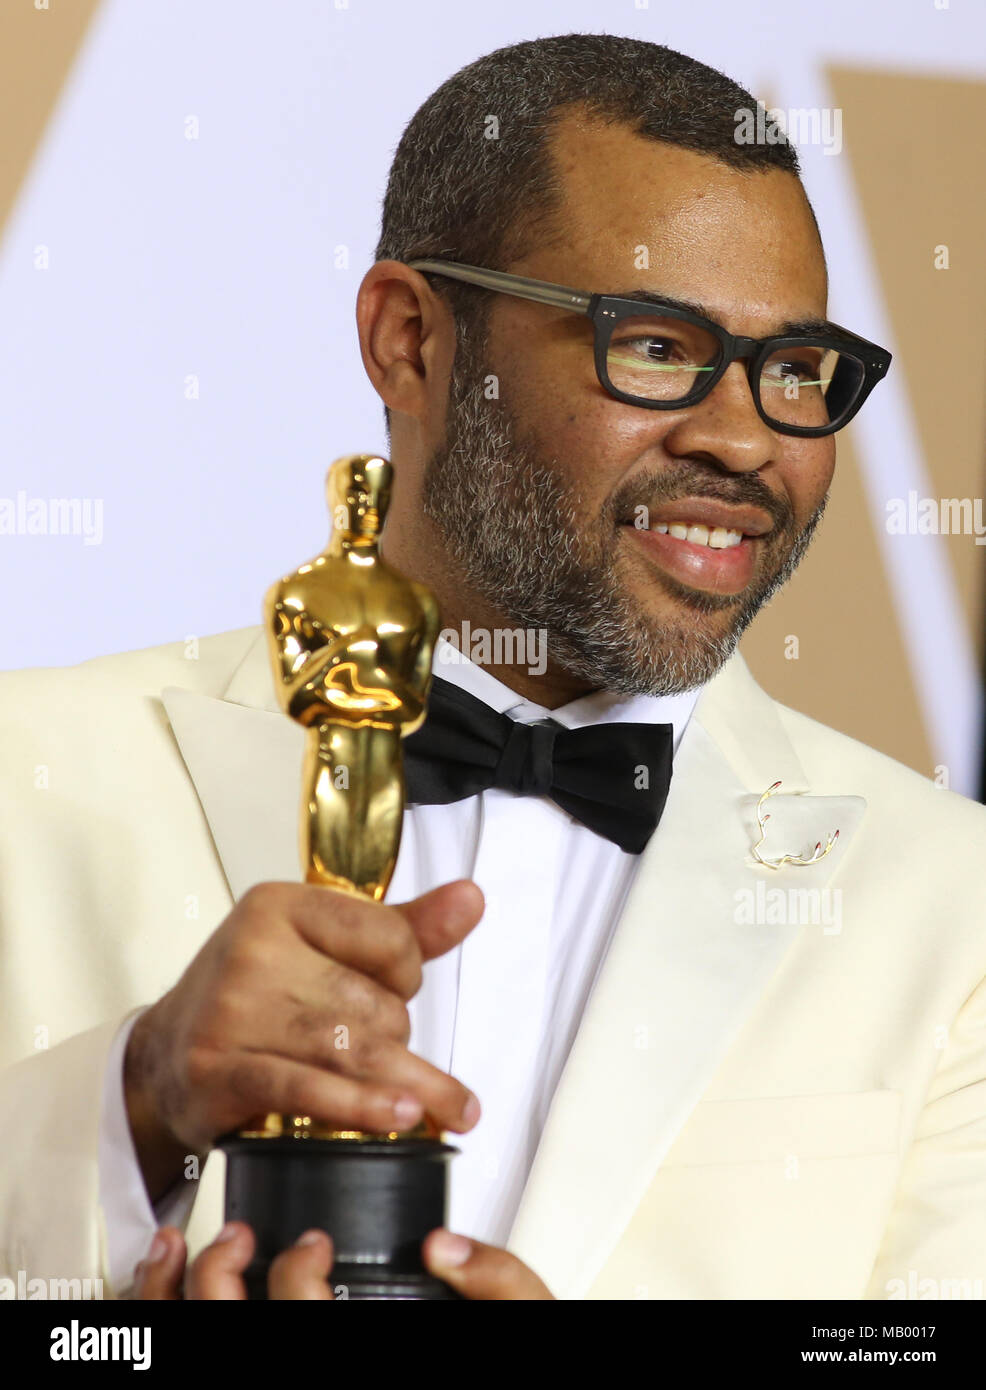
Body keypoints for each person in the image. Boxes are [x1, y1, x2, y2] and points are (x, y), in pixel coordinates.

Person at [2, 34, 984, 1303]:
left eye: (796, 371)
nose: (746, 440)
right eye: (655, 346)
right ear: (410, 341)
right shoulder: (26, 782)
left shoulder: (953, 907)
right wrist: (133, 1102)